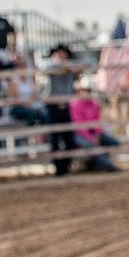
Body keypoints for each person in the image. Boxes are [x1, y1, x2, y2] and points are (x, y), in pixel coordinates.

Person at [44, 43, 84, 175]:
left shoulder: (71, 65)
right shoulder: (53, 67)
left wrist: (69, 67)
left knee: (69, 139)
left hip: (65, 107)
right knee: (54, 139)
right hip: (52, 107)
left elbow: (88, 63)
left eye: (62, 52)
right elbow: (48, 69)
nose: (60, 55)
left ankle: (65, 168)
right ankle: (59, 170)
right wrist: (67, 67)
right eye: (58, 53)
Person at [66, 83, 119, 172]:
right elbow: (79, 126)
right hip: (78, 134)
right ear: (80, 92)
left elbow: (97, 122)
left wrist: (97, 135)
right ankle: (109, 166)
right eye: (85, 91)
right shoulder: (74, 105)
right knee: (89, 145)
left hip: (93, 133)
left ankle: (98, 164)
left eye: (89, 91)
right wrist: (90, 138)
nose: (87, 93)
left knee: (113, 142)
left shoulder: (94, 104)